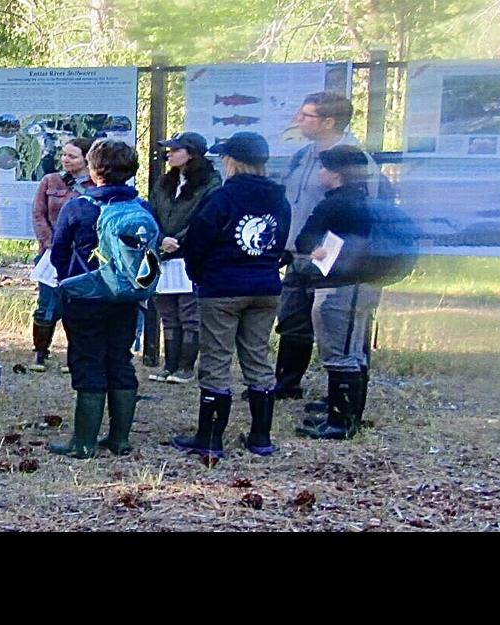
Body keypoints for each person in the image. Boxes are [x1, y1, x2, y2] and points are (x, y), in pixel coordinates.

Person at [172, 132, 291, 459]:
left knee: (216, 359)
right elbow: (280, 240)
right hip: (265, 286)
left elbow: (197, 242)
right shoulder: (279, 198)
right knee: (257, 358)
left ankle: (210, 439)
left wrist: (199, 276)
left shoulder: (222, 198)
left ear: (234, 161)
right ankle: (261, 437)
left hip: (223, 287)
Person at [295, 146, 417, 438]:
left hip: (340, 287)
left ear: (336, 173)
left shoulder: (336, 204)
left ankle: (340, 422)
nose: (320, 173)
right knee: (354, 351)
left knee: (339, 353)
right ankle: (350, 415)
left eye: (324, 168)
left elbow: (304, 240)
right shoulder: (368, 201)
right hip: (366, 285)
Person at [47, 139, 150, 459]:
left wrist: (71, 280)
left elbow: (58, 254)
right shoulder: (142, 208)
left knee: (88, 360)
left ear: (93, 169)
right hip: (127, 296)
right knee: (120, 359)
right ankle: (120, 439)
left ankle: (83, 443)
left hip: (86, 298)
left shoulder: (78, 207)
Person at [273, 91, 368, 400]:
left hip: (335, 262)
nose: (299, 120)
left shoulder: (355, 159)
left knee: (337, 327)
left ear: (329, 122)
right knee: (292, 320)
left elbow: (364, 213)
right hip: (298, 254)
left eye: (307, 116)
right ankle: (287, 384)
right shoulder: (302, 156)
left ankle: (342, 399)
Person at [149, 131, 222, 384]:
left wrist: (178, 240)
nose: (169, 154)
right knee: (167, 311)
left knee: (189, 312)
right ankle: (169, 365)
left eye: (176, 149)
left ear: (191, 154)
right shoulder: (164, 182)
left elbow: (205, 218)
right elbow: (151, 213)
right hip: (163, 254)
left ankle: (185, 368)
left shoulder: (211, 183)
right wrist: (160, 239)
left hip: (191, 255)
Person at [28, 137, 93, 373]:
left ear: (87, 159)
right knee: (47, 303)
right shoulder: (50, 180)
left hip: (82, 256)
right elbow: (38, 214)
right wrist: (50, 244)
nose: (65, 159)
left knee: (77, 305)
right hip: (51, 253)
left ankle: (74, 355)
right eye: (64, 154)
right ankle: (40, 352)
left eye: (72, 156)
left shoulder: (96, 184)